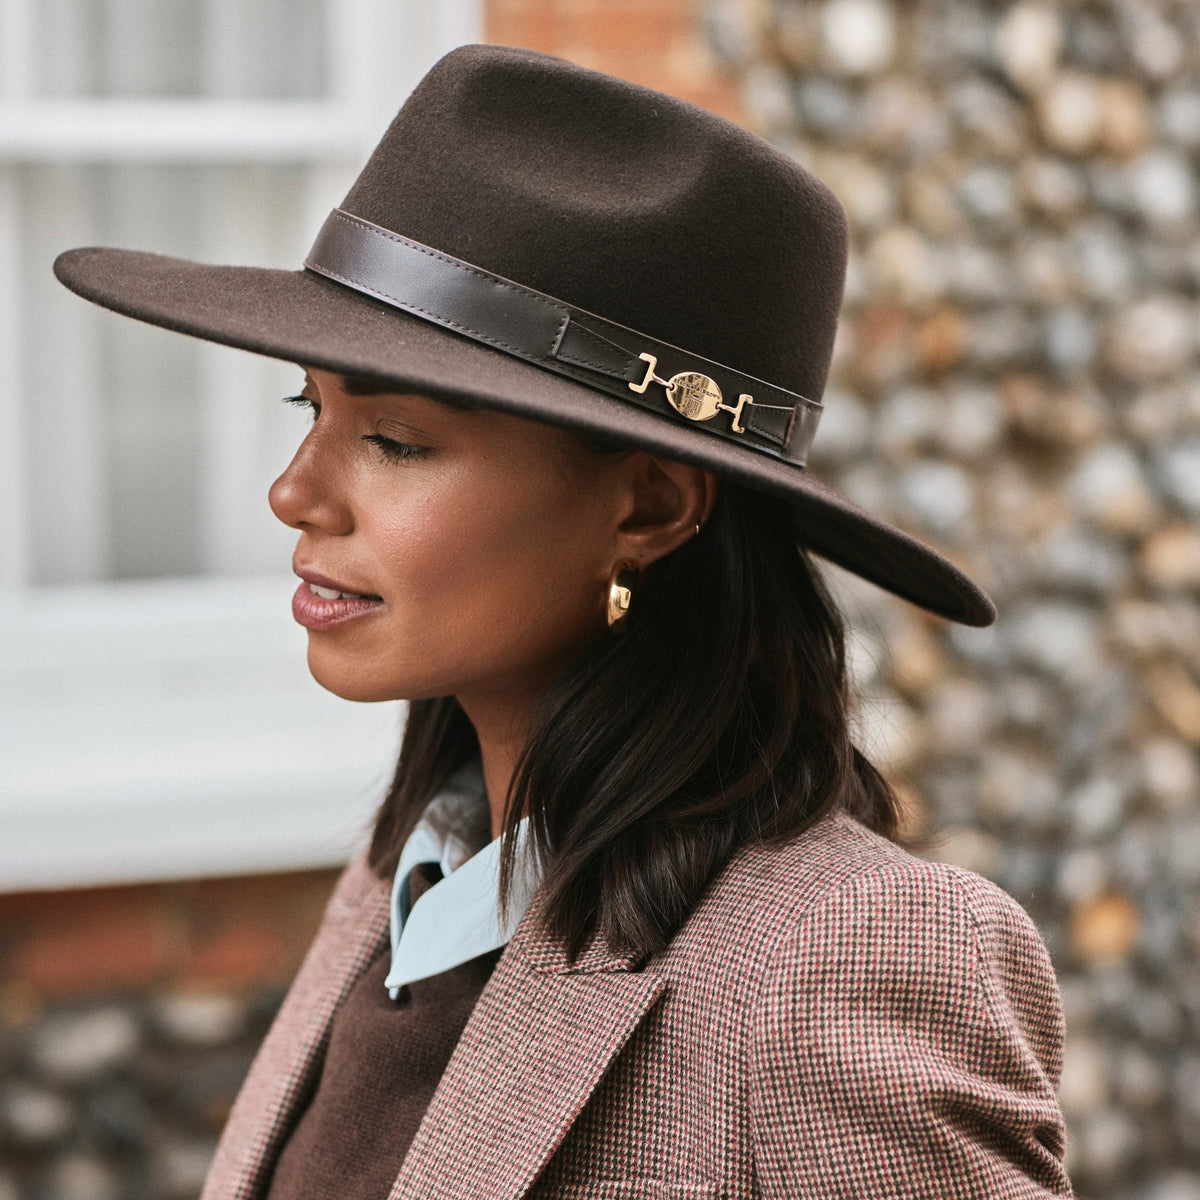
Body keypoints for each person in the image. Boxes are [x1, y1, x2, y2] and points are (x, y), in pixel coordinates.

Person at [54, 43, 1073, 1200]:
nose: (296, 491)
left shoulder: (838, 964)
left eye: (394, 440)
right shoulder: (413, 883)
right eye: (311, 406)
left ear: (646, 506)